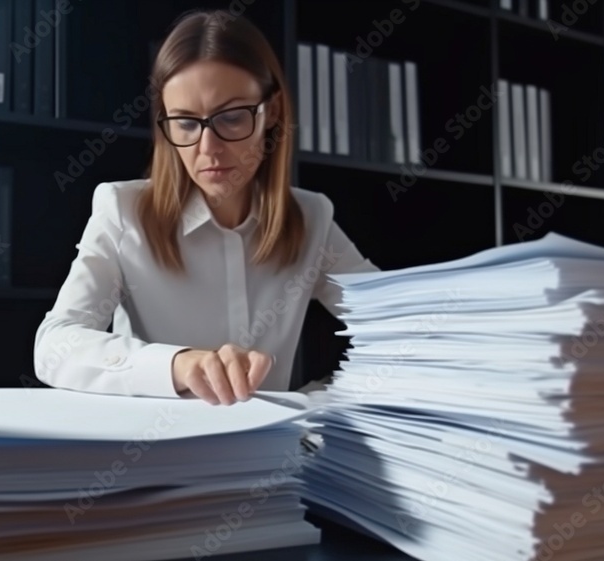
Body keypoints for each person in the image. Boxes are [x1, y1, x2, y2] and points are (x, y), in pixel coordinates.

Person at [33, 9, 378, 406]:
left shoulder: (311, 218)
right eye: (185, 123)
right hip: (153, 454)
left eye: (231, 118)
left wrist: (322, 401)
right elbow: (54, 346)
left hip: (270, 457)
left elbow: (403, 330)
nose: (208, 148)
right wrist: (179, 365)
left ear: (274, 111)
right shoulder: (122, 211)